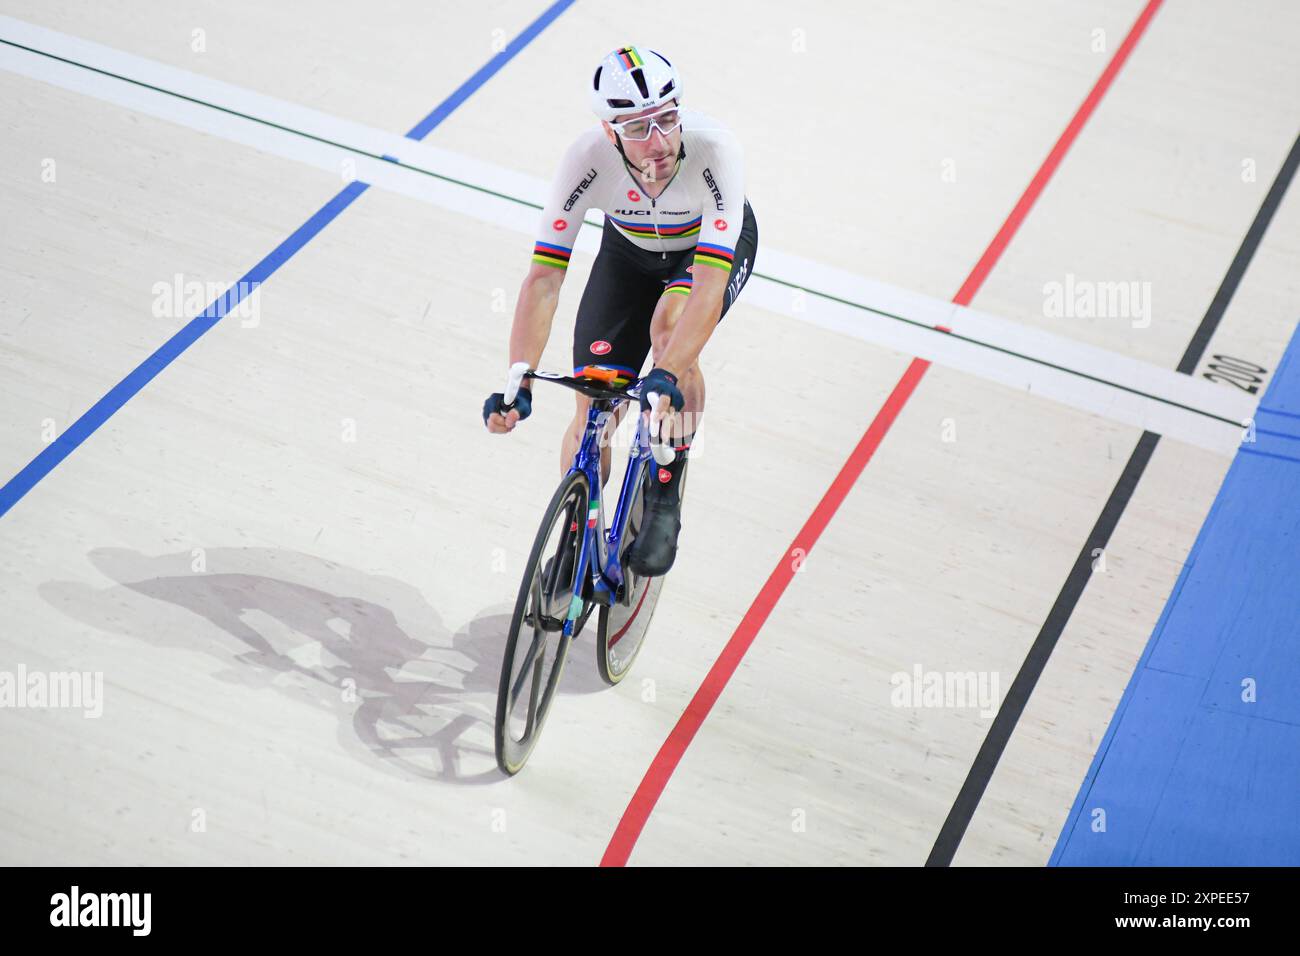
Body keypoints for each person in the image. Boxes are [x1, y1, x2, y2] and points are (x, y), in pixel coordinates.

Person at [483, 45, 758, 578]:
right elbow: (544, 277)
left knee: (671, 331)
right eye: (636, 128)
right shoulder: (584, 160)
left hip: (702, 252)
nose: (657, 142)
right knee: (594, 404)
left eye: (667, 119)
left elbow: (707, 286)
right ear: (609, 132)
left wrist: (669, 370)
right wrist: (520, 374)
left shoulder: (717, 151)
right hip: (628, 253)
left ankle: (665, 490)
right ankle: (575, 529)